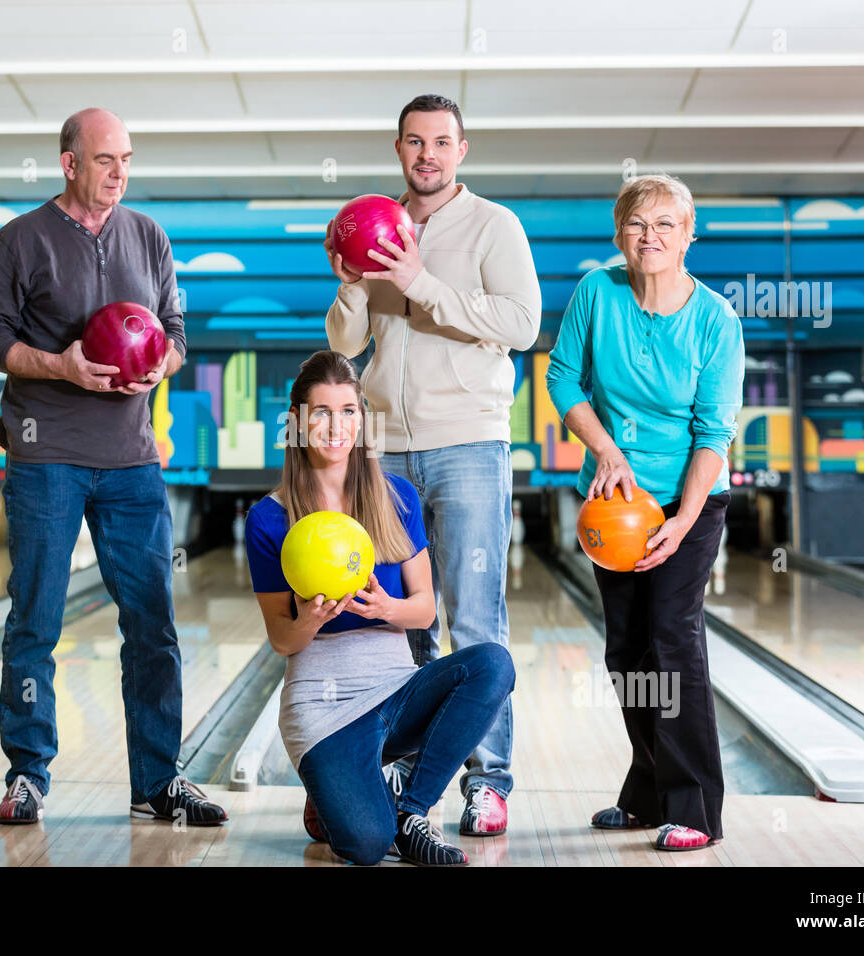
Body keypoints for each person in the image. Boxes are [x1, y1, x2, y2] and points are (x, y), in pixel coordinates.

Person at [0, 107, 226, 828]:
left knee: (154, 625)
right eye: (105, 159)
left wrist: (157, 367)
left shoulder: (149, 236)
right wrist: (60, 366)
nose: (119, 173)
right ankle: (28, 775)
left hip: (132, 461)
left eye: (127, 160)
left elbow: (175, 333)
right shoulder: (20, 240)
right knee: (37, 620)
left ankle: (158, 781)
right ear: (69, 162)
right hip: (45, 454)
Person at [323, 94, 541, 836]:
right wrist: (353, 277)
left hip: (469, 441)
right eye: (415, 143)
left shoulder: (494, 226)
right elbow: (346, 344)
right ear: (399, 150)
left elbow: (520, 323)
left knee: (476, 617)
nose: (428, 155)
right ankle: (406, 774)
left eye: (441, 142)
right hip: (384, 448)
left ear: (461, 150)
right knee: (400, 623)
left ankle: (489, 782)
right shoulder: (377, 224)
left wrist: (419, 280)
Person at [244, 350, 515, 866]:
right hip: (323, 710)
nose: (335, 426)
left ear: (362, 419)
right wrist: (310, 621)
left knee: (492, 664)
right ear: (298, 421)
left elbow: (424, 612)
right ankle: (343, 788)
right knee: (364, 847)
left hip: (394, 690)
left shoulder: (398, 497)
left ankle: (411, 813)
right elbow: (282, 640)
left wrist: (385, 608)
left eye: (348, 411)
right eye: (321, 412)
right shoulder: (269, 519)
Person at [545, 174, 745, 851]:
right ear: (618, 233)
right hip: (613, 500)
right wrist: (604, 449)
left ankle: (695, 807)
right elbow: (561, 377)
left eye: (666, 224)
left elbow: (714, 432)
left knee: (673, 636)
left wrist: (682, 522)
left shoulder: (715, 319)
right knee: (626, 648)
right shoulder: (597, 293)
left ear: (691, 235)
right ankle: (647, 788)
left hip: (687, 499)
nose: (650, 236)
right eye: (637, 223)